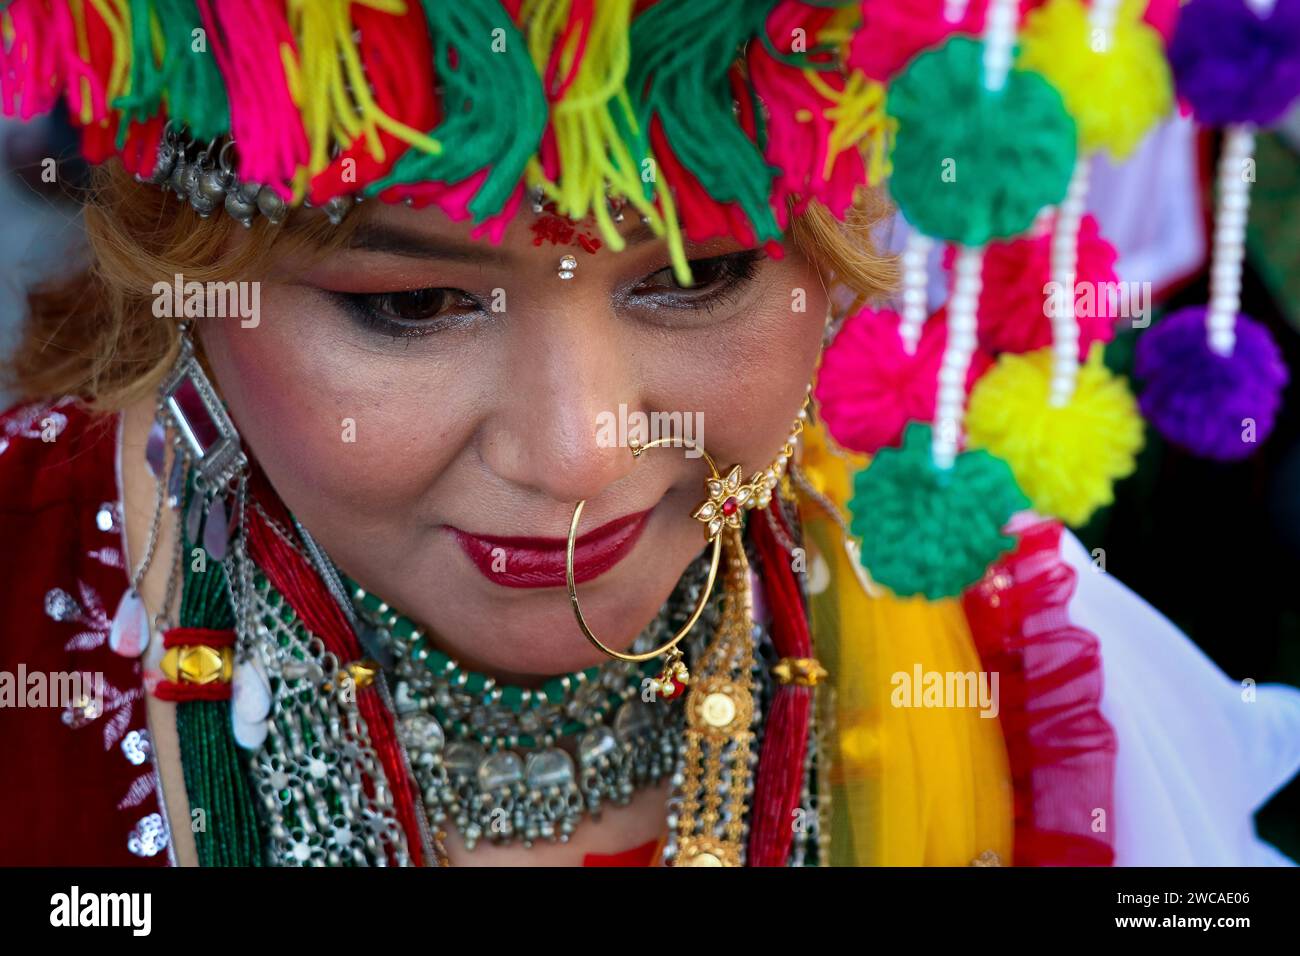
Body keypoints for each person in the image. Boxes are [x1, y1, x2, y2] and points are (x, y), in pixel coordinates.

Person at [0, 0, 1297, 868]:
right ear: (186, 276)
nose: (579, 455)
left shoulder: (1020, 660)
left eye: (695, 276)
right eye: (413, 302)